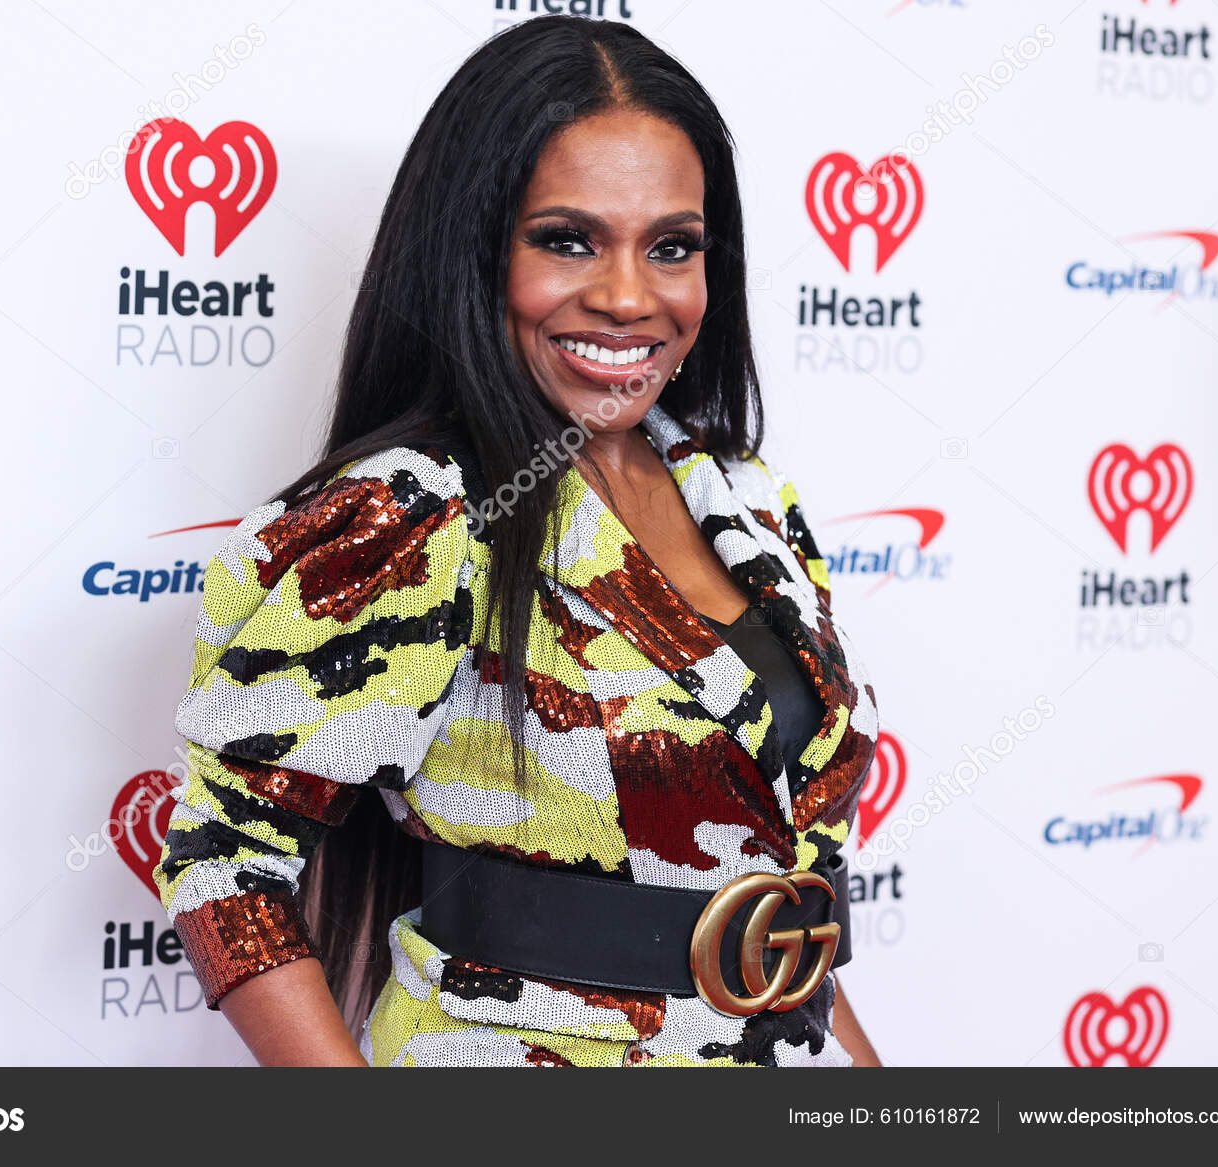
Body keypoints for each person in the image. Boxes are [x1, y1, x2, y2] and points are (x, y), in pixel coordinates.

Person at [152, 15, 881, 1067]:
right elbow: (226, 866)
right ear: (474, 252)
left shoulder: (745, 498)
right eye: (567, 239)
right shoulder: (407, 518)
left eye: (671, 246)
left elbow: (778, 873)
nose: (629, 296)